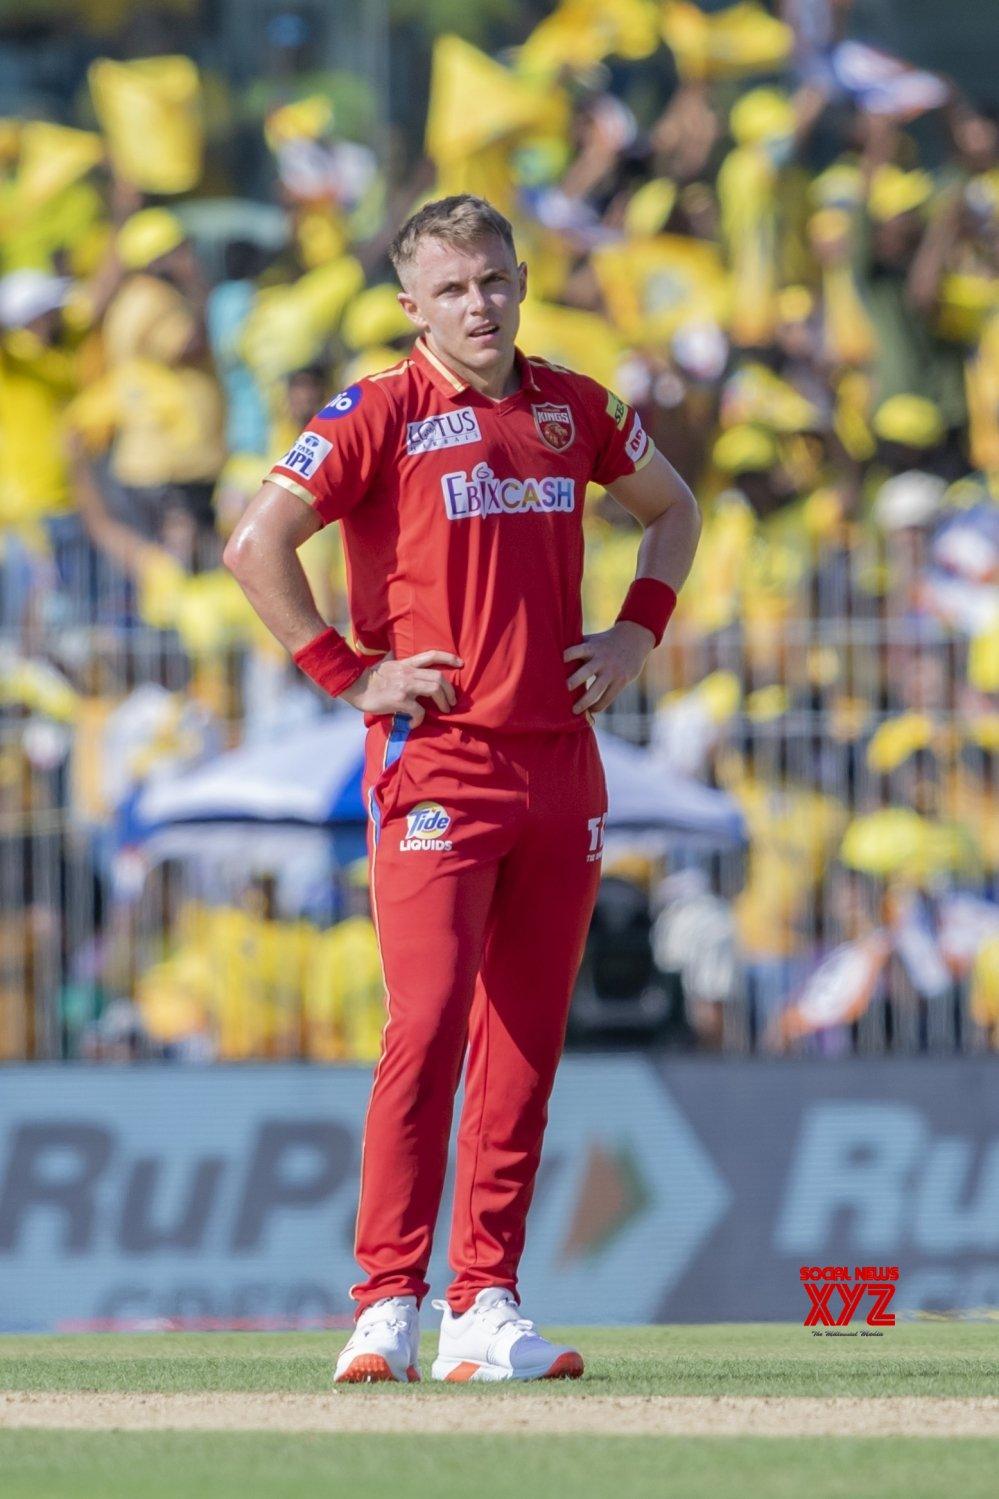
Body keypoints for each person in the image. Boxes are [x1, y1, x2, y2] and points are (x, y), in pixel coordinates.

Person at [223, 194, 700, 1383]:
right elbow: (254, 543)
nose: (477, 305)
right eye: (452, 290)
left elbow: (673, 511)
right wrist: (349, 672)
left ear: (521, 280)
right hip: (437, 761)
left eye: (493, 281)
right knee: (426, 1026)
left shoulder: (574, 404)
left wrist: (637, 633)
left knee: (526, 1043)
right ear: (410, 307)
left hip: (562, 764)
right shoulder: (377, 410)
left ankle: (484, 1304)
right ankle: (385, 1300)